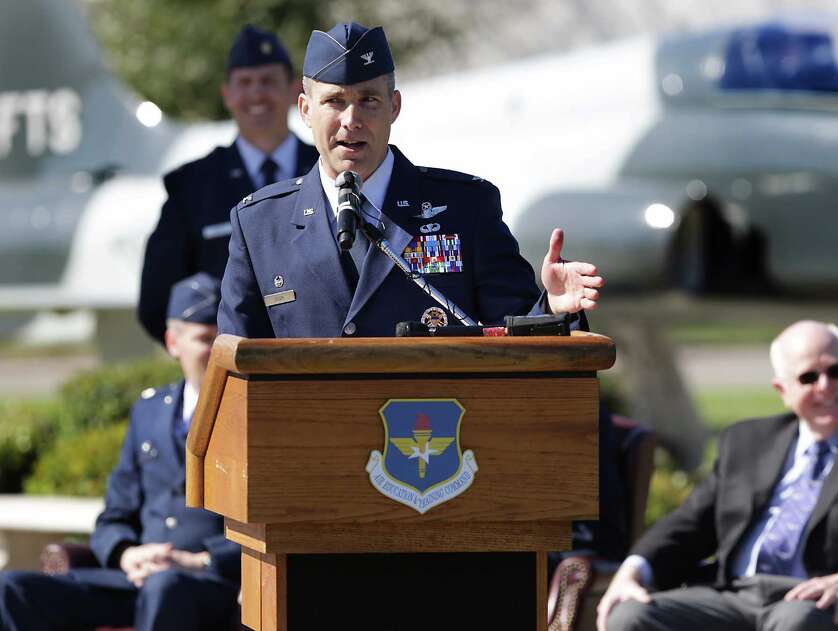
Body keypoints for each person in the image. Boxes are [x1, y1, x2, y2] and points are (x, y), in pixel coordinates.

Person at [217, 21, 602, 339]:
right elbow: (234, 367)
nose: (351, 119)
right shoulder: (259, 226)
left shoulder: (466, 208)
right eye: (334, 101)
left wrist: (552, 306)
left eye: (368, 100)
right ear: (305, 110)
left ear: (394, 107)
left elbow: (514, 336)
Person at [597, 320, 838, 631]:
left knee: (798, 623)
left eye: (837, 371)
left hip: (823, 600)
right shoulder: (748, 442)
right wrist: (635, 570)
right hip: (735, 593)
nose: (826, 386)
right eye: (809, 377)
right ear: (782, 390)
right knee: (631, 617)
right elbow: (691, 521)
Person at [0, 273, 239, 631]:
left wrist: (195, 561)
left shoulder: (247, 415)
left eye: (221, 339)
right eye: (205, 339)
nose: (215, 351)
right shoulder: (150, 410)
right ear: (173, 342)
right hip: (138, 578)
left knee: (165, 587)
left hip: (205, 582)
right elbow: (114, 515)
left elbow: (270, 527)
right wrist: (127, 554)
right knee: (12, 590)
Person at [138, 24, 318, 345]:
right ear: (227, 95)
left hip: (316, 360)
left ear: (295, 90)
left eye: (268, 81)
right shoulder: (192, 187)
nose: (256, 94)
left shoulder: (327, 169)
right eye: (245, 83)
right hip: (231, 369)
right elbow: (156, 302)